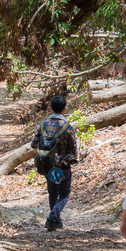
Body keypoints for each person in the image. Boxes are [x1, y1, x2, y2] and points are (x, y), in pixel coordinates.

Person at [30, 95, 77, 231]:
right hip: (62, 166)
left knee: (52, 193)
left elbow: (33, 144)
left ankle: (56, 222)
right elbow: (73, 151)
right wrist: (65, 161)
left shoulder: (42, 125)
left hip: (47, 166)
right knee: (64, 194)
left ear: (51, 108)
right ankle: (53, 217)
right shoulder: (67, 127)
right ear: (64, 109)